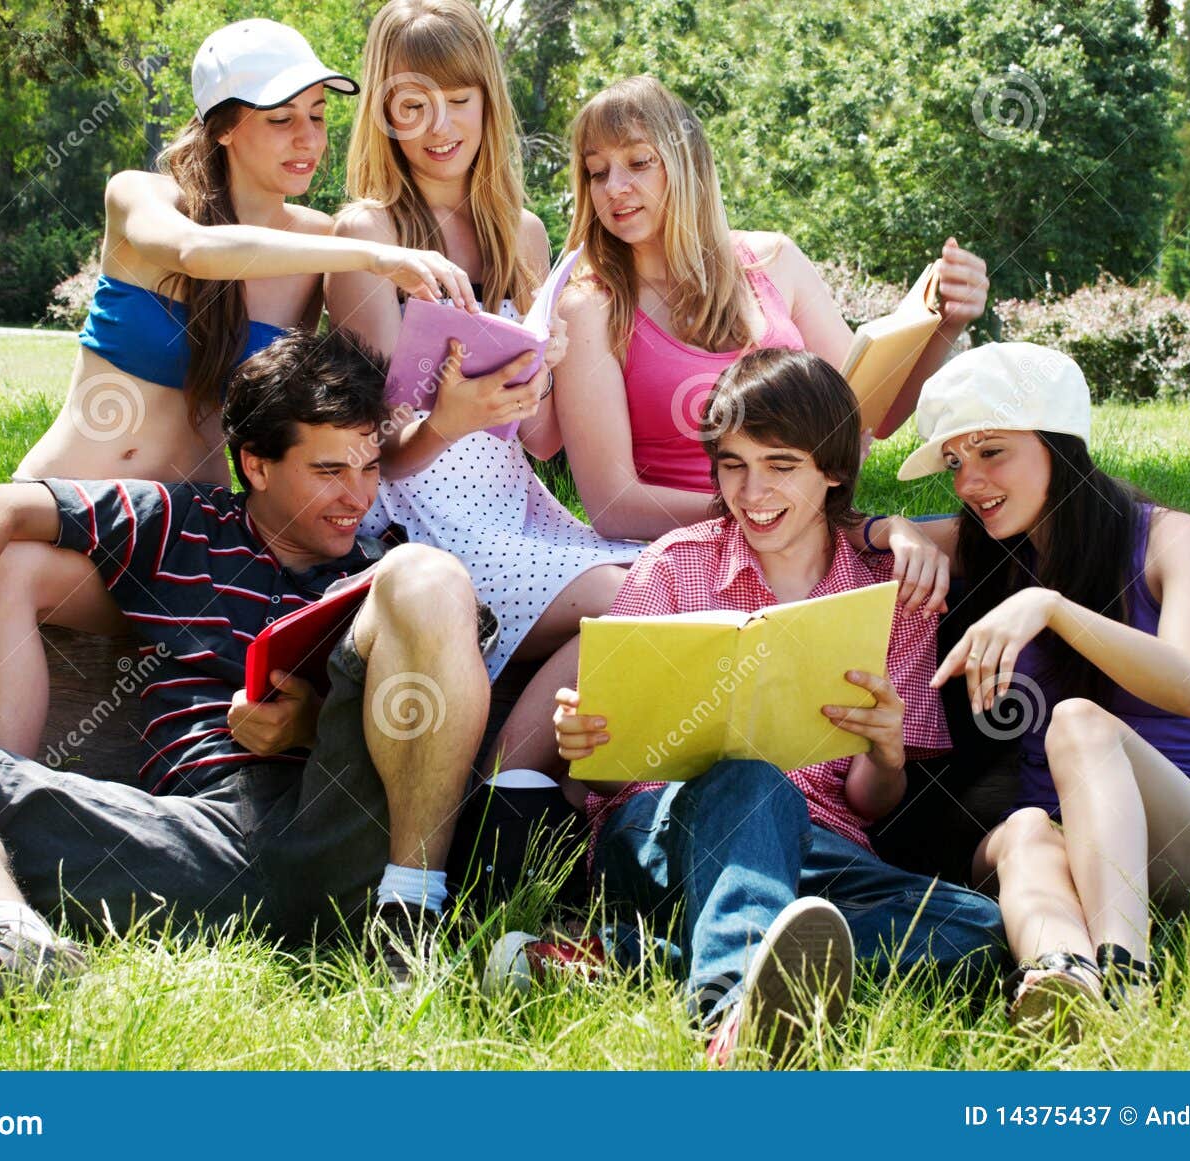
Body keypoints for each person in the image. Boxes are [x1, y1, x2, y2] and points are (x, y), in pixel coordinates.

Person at [0, 18, 472, 760]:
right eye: (281, 120)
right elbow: (195, 252)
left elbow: (362, 415)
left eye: (317, 116)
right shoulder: (144, 197)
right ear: (222, 129)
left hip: (181, 544)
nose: (308, 139)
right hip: (63, 500)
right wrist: (367, 250)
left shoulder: (322, 250)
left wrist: (452, 401)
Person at [0, 330, 494, 998]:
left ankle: (408, 924)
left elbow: (434, 695)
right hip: (184, 843)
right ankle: (14, 942)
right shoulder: (182, 525)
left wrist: (308, 726)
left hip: (334, 837)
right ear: (257, 464)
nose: (358, 496)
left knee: (431, 575)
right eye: (330, 471)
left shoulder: (380, 572)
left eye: (370, 467)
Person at [550, 349, 1006, 1067]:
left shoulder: (889, 595)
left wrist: (884, 748)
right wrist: (587, 743)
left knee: (978, 928)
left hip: (819, 852)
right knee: (752, 780)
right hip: (664, 836)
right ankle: (733, 1015)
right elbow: (603, 784)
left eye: (781, 464)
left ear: (832, 470)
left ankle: (632, 955)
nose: (752, 491)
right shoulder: (673, 565)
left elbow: (871, 802)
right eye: (733, 464)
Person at [325, 0, 641, 898]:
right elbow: (370, 451)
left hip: (512, 500)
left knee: (667, 583)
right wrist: (452, 417)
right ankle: (499, 815)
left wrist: (550, 372)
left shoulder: (524, 233)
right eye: (411, 103)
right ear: (382, 112)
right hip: (420, 512)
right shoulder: (367, 234)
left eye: (459, 100)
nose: (439, 127)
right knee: (632, 600)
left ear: (488, 102)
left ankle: (523, 803)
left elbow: (536, 440)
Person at [896, 342, 1190, 1035]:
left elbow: (1188, 684)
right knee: (1023, 828)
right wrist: (892, 529)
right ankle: (1059, 977)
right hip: (1059, 855)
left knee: (1078, 721)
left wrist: (1053, 609)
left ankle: (1127, 983)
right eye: (954, 462)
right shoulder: (991, 545)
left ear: (1059, 442)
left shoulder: (1177, 540)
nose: (969, 482)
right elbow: (837, 529)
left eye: (991, 452)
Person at [555, 75, 990, 543]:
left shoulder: (774, 261)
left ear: (688, 165)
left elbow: (868, 414)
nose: (614, 187)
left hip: (811, 538)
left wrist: (946, 323)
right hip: (697, 553)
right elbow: (615, 507)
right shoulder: (591, 308)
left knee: (1004, 548)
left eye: (638, 162)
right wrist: (773, 509)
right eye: (597, 172)